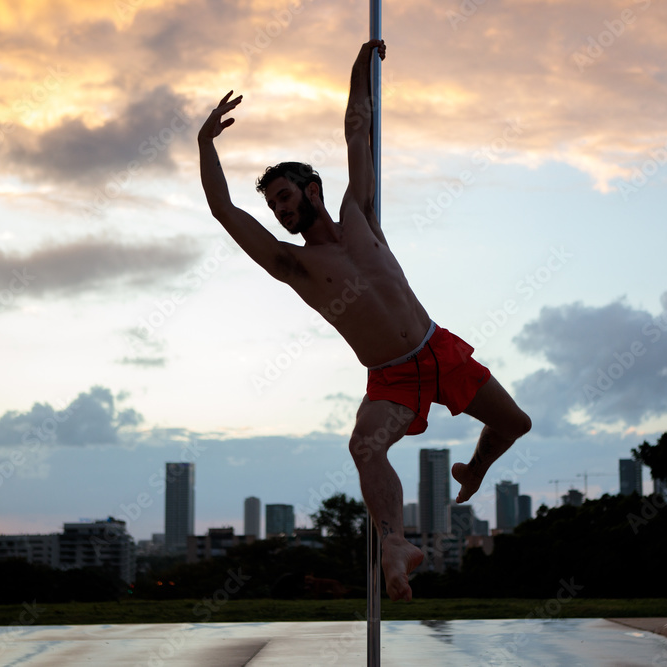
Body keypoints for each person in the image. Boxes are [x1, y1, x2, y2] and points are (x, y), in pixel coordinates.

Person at [197, 40, 531, 602]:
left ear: (311, 189)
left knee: (514, 425)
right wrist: (205, 143)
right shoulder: (293, 263)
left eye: (284, 197)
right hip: (392, 376)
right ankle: (395, 543)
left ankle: (472, 471)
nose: (279, 211)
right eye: (274, 206)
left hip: (438, 349)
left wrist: (359, 66)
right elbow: (224, 211)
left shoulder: (362, 213)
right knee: (365, 447)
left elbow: (359, 130)